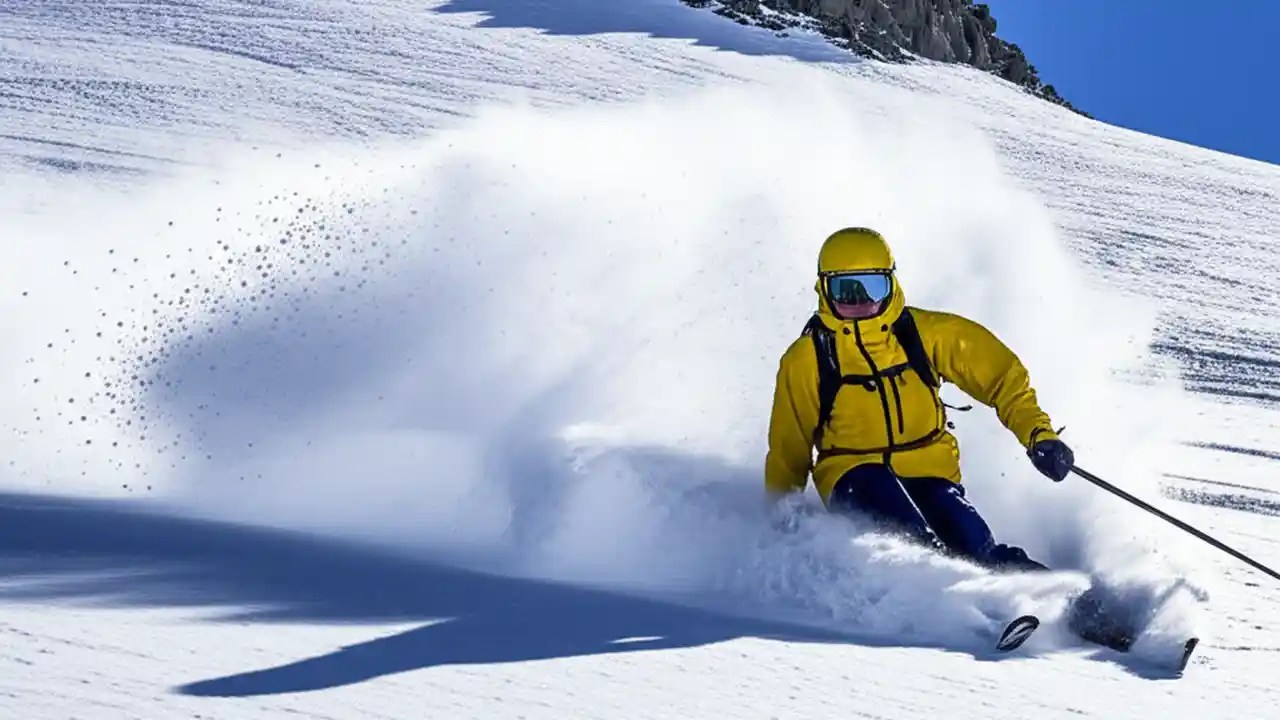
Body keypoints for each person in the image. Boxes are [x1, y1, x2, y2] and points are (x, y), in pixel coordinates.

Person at [765, 227, 1074, 571]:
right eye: (846, 290)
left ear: (891, 283)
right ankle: (963, 610)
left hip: (930, 471)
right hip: (852, 475)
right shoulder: (809, 358)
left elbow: (1002, 378)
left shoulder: (923, 334)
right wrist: (780, 519)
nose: (861, 303)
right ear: (824, 287)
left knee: (973, 544)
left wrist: (1039, 435)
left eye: (874, 287)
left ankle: (1055, 606)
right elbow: (789, 446)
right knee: (912, 540)